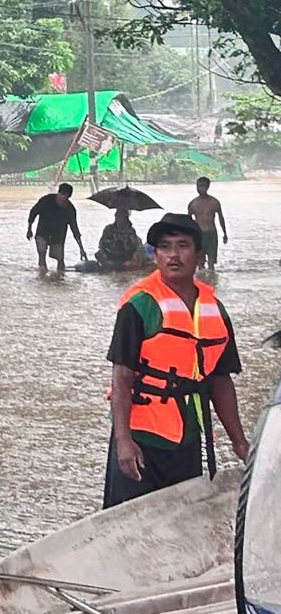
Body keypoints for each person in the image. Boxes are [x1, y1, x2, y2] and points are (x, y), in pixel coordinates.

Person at [103, 213, 249, 509]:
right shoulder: (138, 306)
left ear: (199, 254)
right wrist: (124, 442)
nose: (173, 255)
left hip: (188, 436)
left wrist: (239, 442)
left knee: (182, 520)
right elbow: (121, 377)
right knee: (130, 524)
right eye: (165, 247)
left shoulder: (214, 310)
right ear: (154, 255)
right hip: (141, 438)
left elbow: (220, 380)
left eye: (183, 246)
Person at [27, 183, 87, 273]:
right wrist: (29, 229)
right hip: (42, 232)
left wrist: (81, 249)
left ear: (69, 197)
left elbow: (75, 229)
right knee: (42, 252)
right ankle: (42, 275)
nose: (62, 198)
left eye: (66, 196)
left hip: (58, 236)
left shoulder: (70, 210)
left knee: (60, 259)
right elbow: (33, 212)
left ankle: (60, 278)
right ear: (58, 193)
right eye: (61, 195)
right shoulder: (46, 200)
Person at [188, 177, 228, 272]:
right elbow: (188, 221)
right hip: (199, 235)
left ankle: (212, 282)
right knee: (200, 262)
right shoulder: (193, 204)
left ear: (207, 187)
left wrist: (224, 233)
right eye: (198, 186)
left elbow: (221, 218)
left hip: (211, 233)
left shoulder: (214, 202)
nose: (200, 189)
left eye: (203, 186)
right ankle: (202, 282)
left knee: (211, 262)